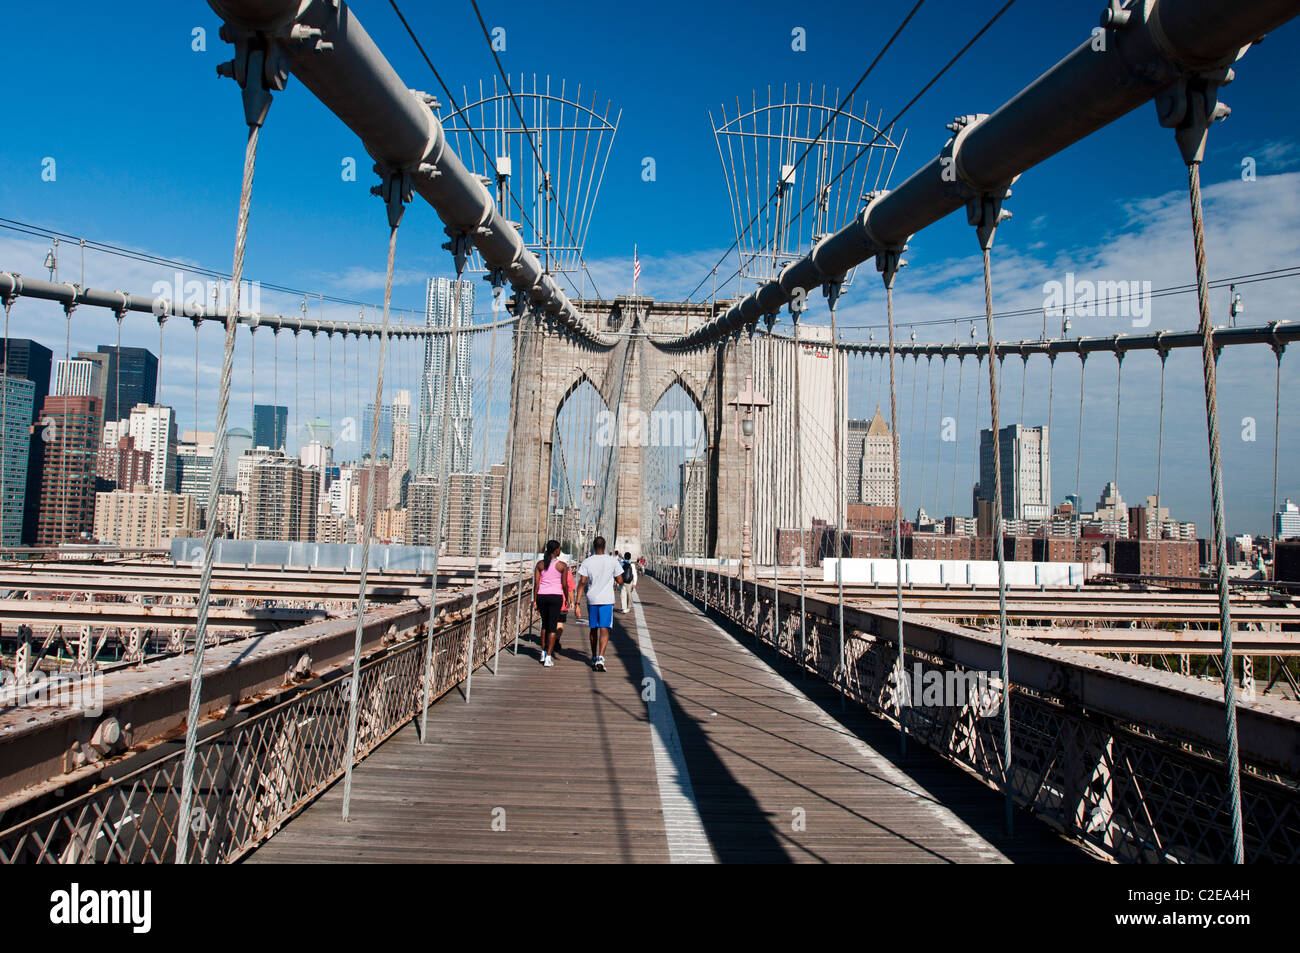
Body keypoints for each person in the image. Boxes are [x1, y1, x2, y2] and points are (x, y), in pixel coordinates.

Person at [574, 535, 623, 672]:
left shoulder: (587, 561)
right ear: (605, 546)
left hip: (592, 599)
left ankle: (594, 656)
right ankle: (601, 657)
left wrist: (577, 603)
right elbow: (620, 580)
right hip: (607, 600)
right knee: (605, 628)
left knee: (593, 628)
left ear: (593, 546)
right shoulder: (613, 561)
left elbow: (582, 582)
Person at [534, 539, 573, 668]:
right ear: (556, 551)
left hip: (542, 597)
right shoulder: (562, 565)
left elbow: (536, 585)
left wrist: (535, 600)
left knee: (544, 625)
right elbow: (564, 584)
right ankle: (549, 657)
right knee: (552, 627)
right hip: (556, 597)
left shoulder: (540, 564)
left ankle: (543, 653)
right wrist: (567, 598)